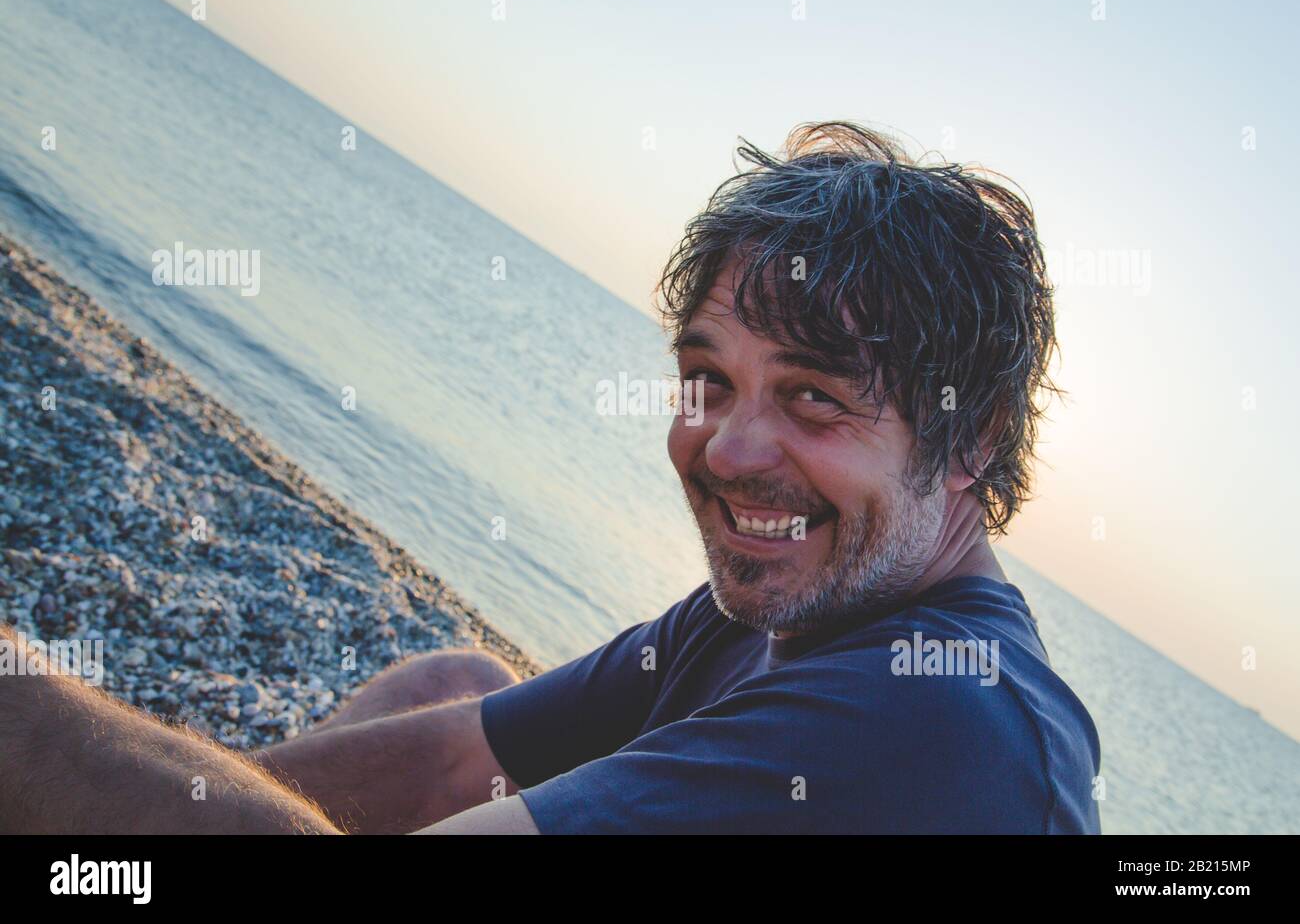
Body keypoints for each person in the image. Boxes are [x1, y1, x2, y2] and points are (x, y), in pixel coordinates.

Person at [0, 121, 1100, 834]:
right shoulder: (780, 605)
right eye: (709, 378)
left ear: (968, 438)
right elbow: (448, 766)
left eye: (814, 394)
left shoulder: (946, 715)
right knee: (450, 678)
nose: (723, 449)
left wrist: (38, 729)